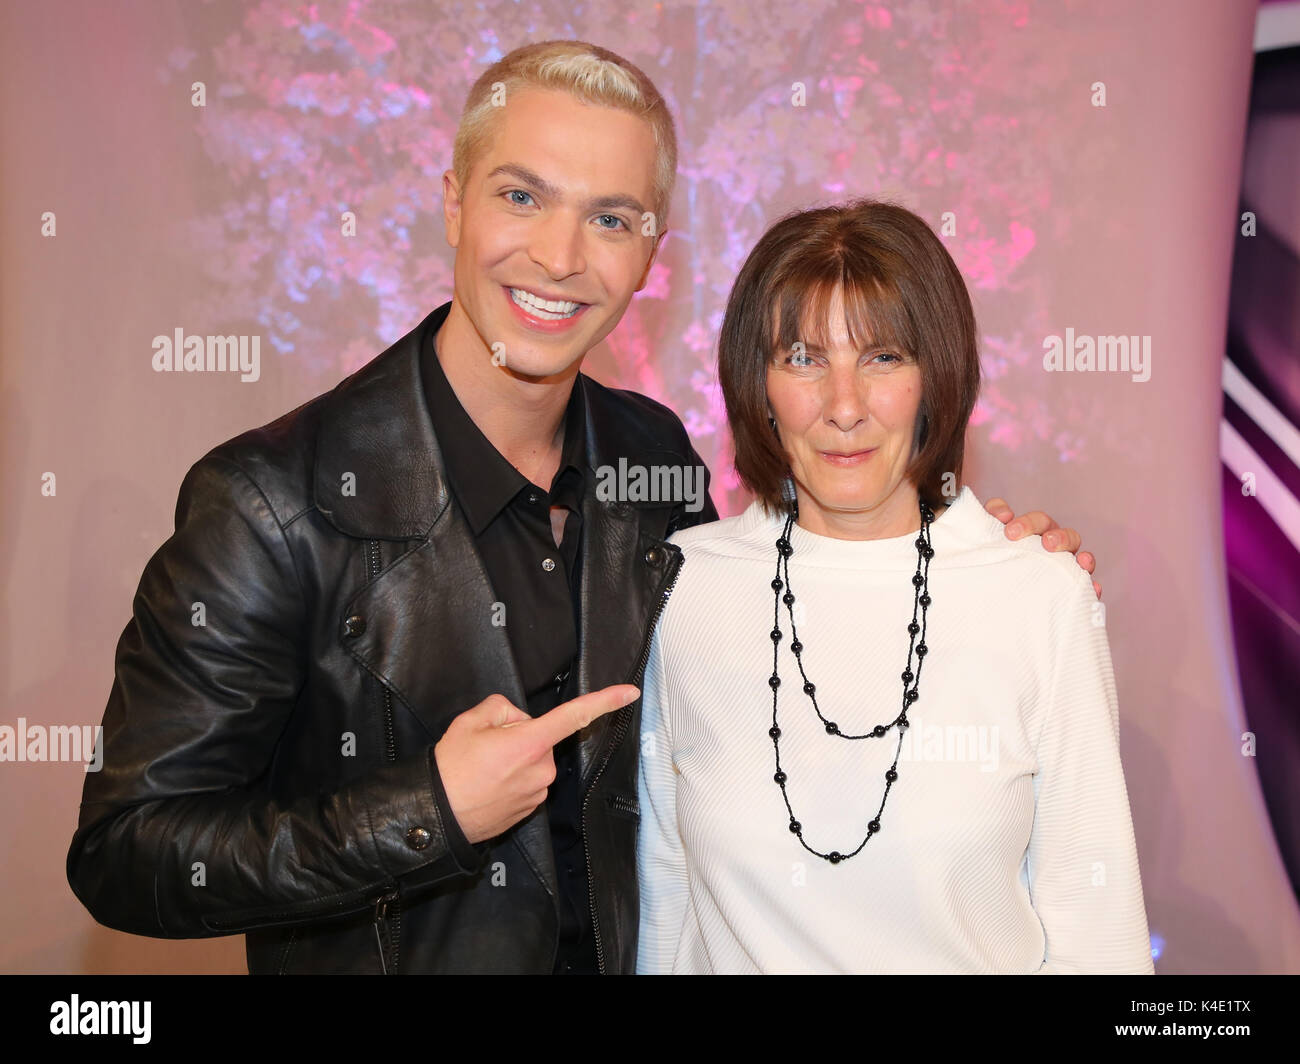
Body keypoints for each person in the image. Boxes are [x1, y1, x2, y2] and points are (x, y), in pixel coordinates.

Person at [66, 42, 1100, 974]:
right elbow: (126, 851)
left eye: (610, 217)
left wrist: (974, 547)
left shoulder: (650, 461)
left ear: (652, 253)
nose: (561, 257)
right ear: (453, 202)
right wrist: (427, 811)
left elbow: (787, 601)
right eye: (522, 197)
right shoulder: (270, 502)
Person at [636, 199, 1153, 974]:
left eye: (883, 358)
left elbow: (1097, 929)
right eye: (804, 358)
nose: (844, 407)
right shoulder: (686, 587)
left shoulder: (1040, 596)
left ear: (935, 376)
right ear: (758, 384)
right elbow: (668, 902)